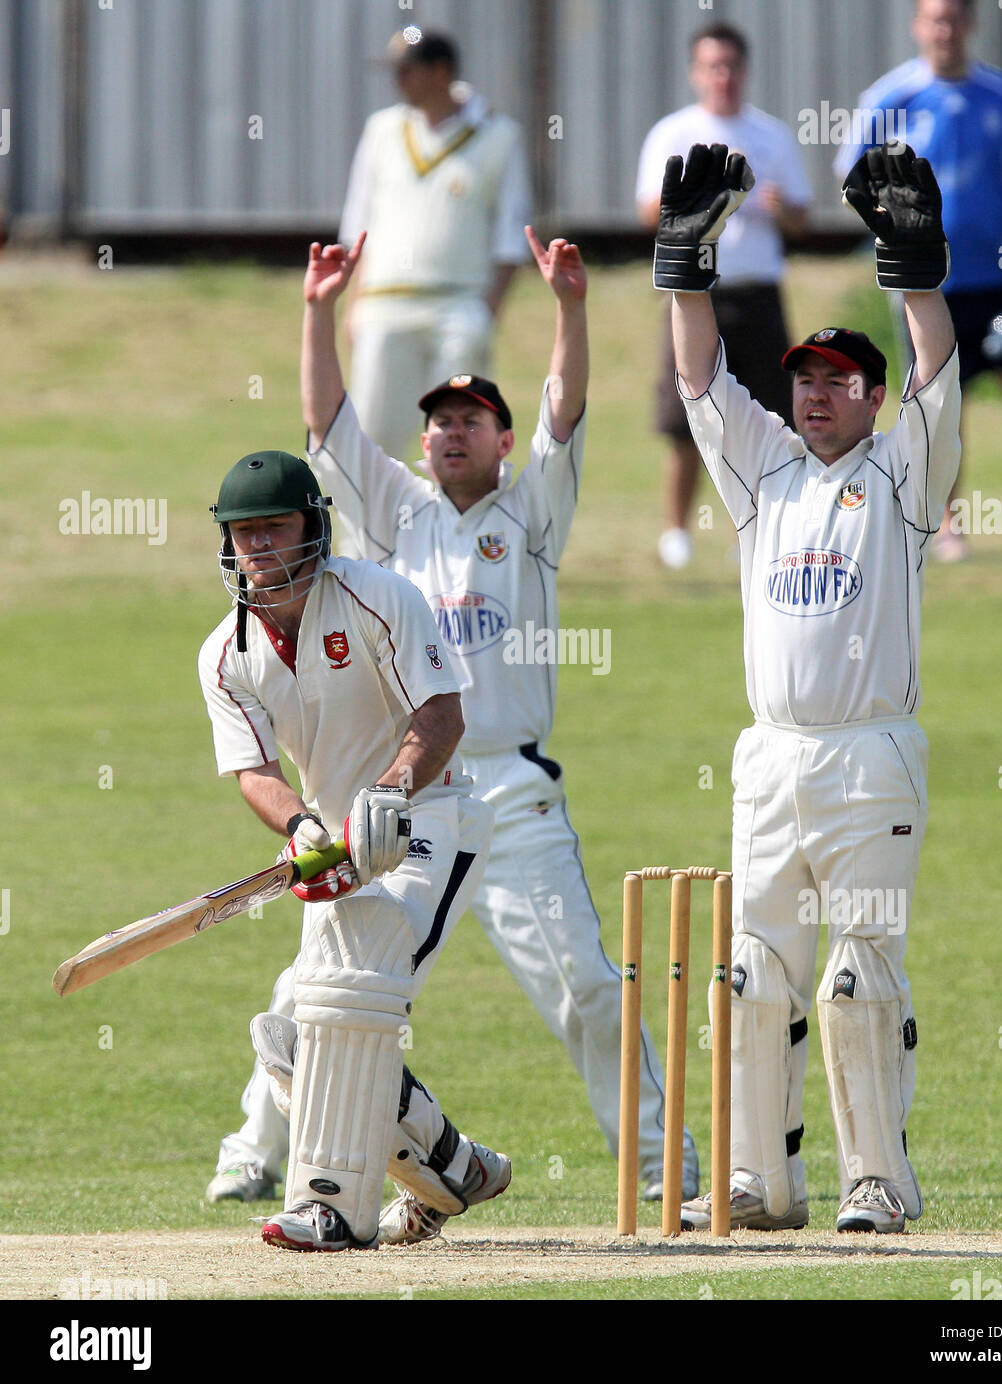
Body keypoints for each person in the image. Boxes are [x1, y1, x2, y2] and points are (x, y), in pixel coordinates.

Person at [206, 217, 703, 1235]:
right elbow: (332, 429)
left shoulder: (531, 512)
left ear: (502, 440)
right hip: (391, 791)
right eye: (437, 420)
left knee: (583, 989)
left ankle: (666, 1170)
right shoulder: (400, 516)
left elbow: (568, 409)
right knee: (321, 991)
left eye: (472, 418)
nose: (449, 430)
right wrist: (319, 312)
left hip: (508, 793)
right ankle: (266, 1156)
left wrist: (568, 306)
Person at [654, 141, 960, 1233]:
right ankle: (756, 1180)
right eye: (804, 380)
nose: (816, 394)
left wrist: (912, 263)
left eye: (837, 381)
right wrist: (681, 266)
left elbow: (934, 366)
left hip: (870, 755)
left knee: (857, 976)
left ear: (872, 397)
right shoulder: (764, 471)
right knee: (749, 975)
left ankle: (875, 1178)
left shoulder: (899, 474)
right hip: (769, 757)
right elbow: (697, 379)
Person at [198, 446, 509, 1251]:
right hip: (334, 844)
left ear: (313, 527)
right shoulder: (225, 652)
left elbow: (440, 713)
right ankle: (455, 1166)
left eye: (275, 527)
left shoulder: (378, 596)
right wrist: (300, 824)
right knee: (291, 1033)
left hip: (428, 823)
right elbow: (253, 771)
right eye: (243, 533)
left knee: (350, 1001)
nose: (258, 547)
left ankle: (331, 1208)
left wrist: (393, 788)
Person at [836, 0, 1002, 560]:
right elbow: (854, 183)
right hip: (929, 288)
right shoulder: (893, 97)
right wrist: (896, 243)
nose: (945, 29)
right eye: (934, 18)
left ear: (971, 24)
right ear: (918, 26)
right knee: (940, 402)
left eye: (955, 18)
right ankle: (945, 527)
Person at [635, 21, 811, 570]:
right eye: (713, 66)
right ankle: (677, 531)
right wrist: (692, 209)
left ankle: (756, 528)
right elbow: (647, 212)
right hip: (694, 295)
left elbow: (803, 218)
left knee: (769, 416)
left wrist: (780, 208)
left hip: (757, 292)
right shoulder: (673, 132)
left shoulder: (771, 134)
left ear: (745, 70)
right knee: (687, 414)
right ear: (696, 72)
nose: (724, 77)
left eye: (732, 66)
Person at [338, 27, 531, 462]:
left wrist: (487, 310)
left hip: (458, 306)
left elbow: (511, 235)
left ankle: (460, 530)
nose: (398, 81)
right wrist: (354, 308)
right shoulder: (382, 131)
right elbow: (358, 227)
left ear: (441, 71)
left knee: (462, 440)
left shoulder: (498, 135)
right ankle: (367, 533)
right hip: (384, 305)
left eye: (407, 70)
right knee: (371, 437)